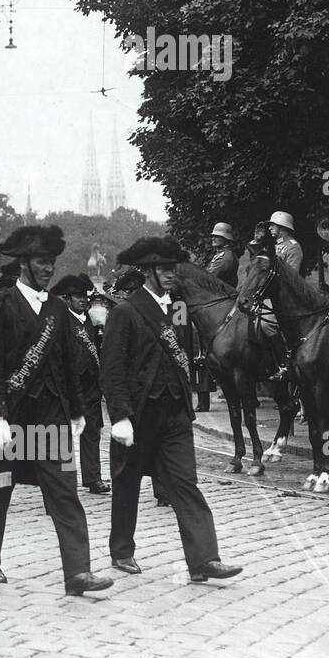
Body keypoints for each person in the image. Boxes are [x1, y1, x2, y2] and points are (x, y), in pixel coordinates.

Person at [0, 224, 111, 595]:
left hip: (51, 416)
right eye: (41, 262)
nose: (49, 269)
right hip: (9, 415)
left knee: (65, 491)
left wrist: (78, 412)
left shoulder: (58, 310)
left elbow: (69, 364)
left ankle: (78, 572)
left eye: (51, 262)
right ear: (24, 265)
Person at [101, 236, 242, 583]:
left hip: (176, 412)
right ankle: (121, 550)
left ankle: (204, 560)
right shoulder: (125, 311)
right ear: (147, 271)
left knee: (185, 482)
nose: (170, 274)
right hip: (138, 414)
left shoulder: (177, 310)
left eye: (172, 268)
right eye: (163, 269)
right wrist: (119, 416)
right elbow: (112, 369)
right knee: (127, 481)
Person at [51, 273, 109, 495]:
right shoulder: (59, 321)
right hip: (67, 385)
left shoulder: (92, 323)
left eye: (85, 296)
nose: (83, 300)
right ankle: (64, 479)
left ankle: (93, 478)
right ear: (67, 299)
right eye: (77, 297)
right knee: (64, 433)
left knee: (92, 431)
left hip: (90, 385)